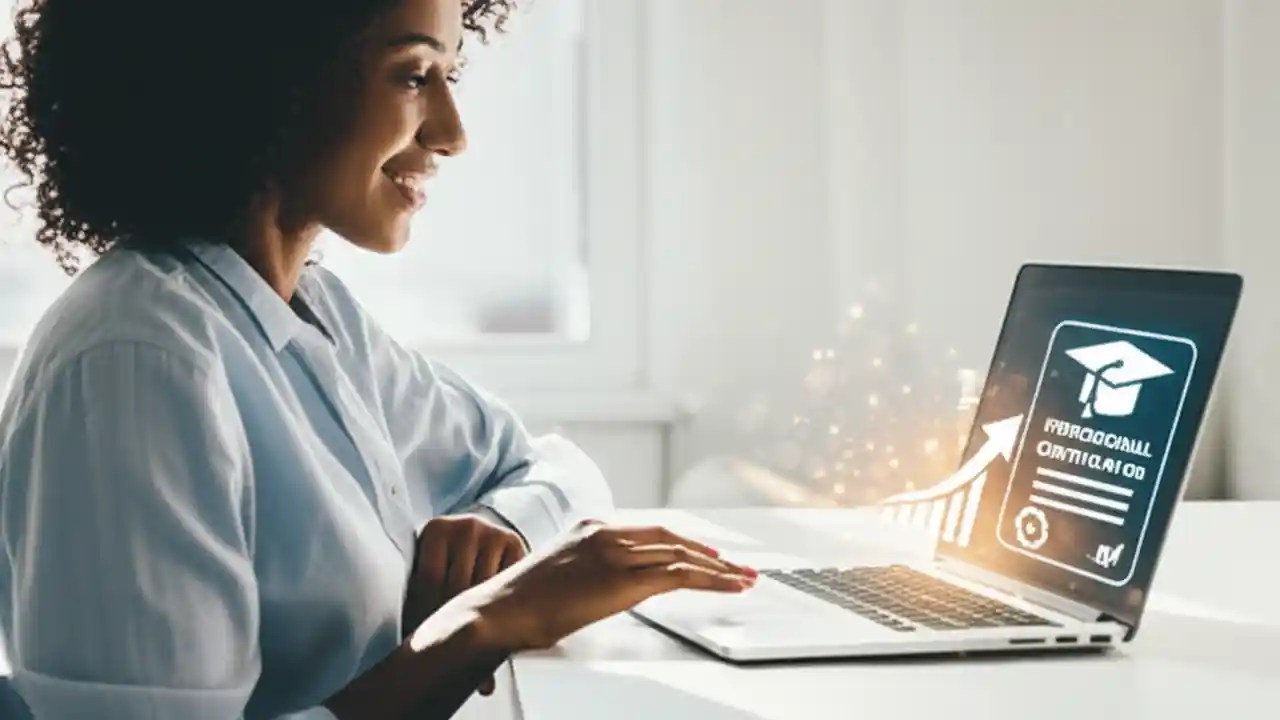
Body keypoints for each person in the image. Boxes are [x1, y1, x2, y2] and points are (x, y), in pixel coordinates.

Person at [0, 0, 758, 717]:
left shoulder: (307, 315)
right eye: (411, 76)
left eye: (448, 76)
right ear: (271, 76)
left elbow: (553, 468)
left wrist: (501, 526)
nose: (453, 133)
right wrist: (483, 623)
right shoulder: (138, 363)